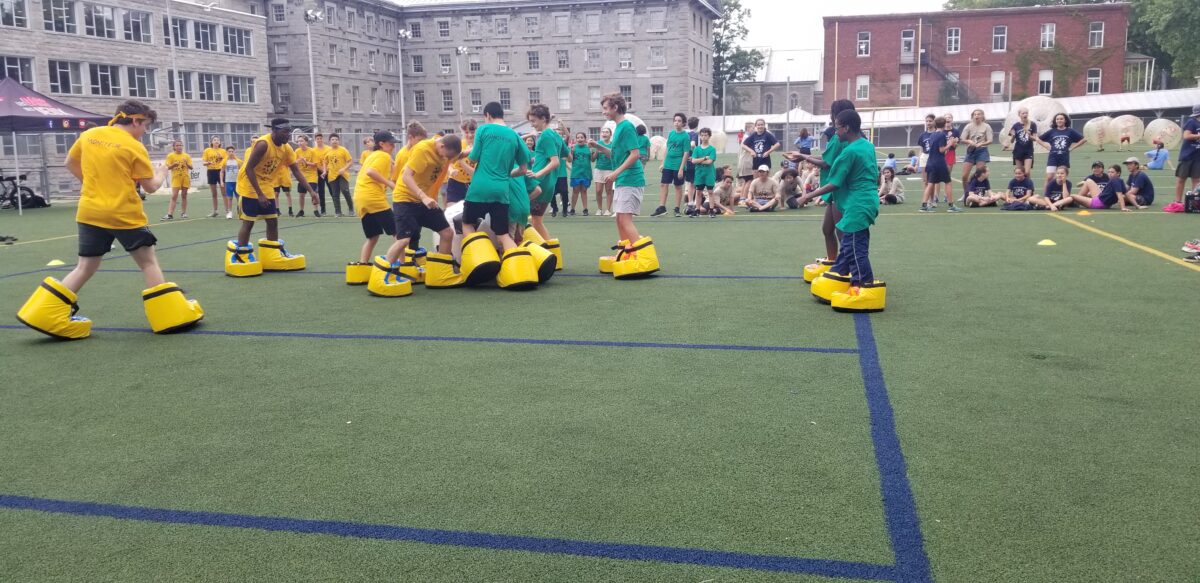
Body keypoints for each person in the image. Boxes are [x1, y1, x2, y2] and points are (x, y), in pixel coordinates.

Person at [16, 99, 202, 339]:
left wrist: (92, 183)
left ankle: (43, 313)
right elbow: (152, 187)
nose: (145, 131)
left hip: (90, 210)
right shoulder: (134, 147)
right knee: (148, 262)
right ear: (135, 120)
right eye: (145, 125)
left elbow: (69, 162)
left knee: (85, 266)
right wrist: (162, 171)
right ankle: (169, 316)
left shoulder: (90, 135)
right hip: (123, 213)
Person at [794, 109, 886, 312]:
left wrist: (807, 196)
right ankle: (840, 270)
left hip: (858, 203)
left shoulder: (850, 152)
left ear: (846, 127)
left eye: (837, 127)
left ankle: (865, 286)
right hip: (867, 199)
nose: (835, 132)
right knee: (851, 242)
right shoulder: (867, 146)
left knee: (855, 247)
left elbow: (834, 183)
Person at [231, 118, 317, 270]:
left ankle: (272, 255)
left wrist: (311, 191)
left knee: (272, 221)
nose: (288, 136)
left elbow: (296, 170)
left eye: (289, 132)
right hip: (248, 185)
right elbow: (248, 169)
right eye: (285, 132)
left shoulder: (286, 148)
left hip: (266, 185)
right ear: (274, 131)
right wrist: (259, 194)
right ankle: (241, 255)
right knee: (249, 222)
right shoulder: (263, 144)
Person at [594, 92, 658, 277]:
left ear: (615, 107)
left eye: (606, 108)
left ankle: (643, 257)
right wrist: (598, 147)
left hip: (631, 179)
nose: (604, 112)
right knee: (619, 218)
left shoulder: (627, 127)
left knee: (625, 219)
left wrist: (615, 173)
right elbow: (616, 154)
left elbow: (635, 154)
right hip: (623, 180)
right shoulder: (618, 128)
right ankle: (627, 253)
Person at [383, 133, 463, 278]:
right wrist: (423, 196)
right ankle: (382, 272)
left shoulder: (446, 152)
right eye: (447, 156)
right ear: (442, 146)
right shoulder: (422, 150)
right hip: (405, 200)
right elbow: (406, 176)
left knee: (447, 233)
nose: (447, 160)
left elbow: (460, 155)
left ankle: (441, 273)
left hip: (423, 202)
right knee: (404, 240)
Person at [800, 100, 857, 271]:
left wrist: (803, 157)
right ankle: (833, 260)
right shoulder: (843, 136)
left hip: (839, 189)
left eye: (833, 113)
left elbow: (826, 163)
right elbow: (828, 159)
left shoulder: (840, 138)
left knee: (841, 230)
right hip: (836, 189)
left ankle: (846, 267)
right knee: (827, 228)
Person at [464, 102, 527, 255]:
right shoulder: (514, 136)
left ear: (488, 115)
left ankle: (481, 257)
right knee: (503, 235)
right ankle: (517, 263)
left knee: (466, 223)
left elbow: (473, 158)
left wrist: (466, 152)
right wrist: (507, 174)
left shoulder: (483, 129)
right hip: (501, 191)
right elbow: (523, 169)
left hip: (479, 188)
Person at [352, 131, 399, 273]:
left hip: (361, 198)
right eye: (390, 143)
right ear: (381, 144)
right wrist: (390, 183)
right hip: (373, 198)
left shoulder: (373, 156)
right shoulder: (384, 156)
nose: (393, 146)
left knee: (373, 236)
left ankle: (363, 264)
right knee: (399, 233)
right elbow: (371, 172)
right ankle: (401, 263)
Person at [526, 104, 564, 241]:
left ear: (543, 119)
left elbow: (555, 162)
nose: (532, 124)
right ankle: (550, 251)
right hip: (549, 183)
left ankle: (548, 250)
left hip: (539, 182)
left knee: (521, 216)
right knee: (537, 220)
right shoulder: (555, 136)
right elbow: (566, 155)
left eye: (533, 121)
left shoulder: (546, 135)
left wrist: (538, 173)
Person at [652, 113, 691, 217]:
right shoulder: (671, 134)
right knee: (663, 184)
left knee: (678, 186)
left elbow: (686, 153)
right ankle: (662, 207)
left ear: (683, 123)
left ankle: (677, 208)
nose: (677, 123)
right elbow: (667, 149)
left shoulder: (686, 136)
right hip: (668, 163)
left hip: (678, 164)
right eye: (675, 121)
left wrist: (681, 169)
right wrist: (663, 163)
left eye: (679, 121)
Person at [921, 117, 963, 213]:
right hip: (939, 162)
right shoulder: (942, 135)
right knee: (947, 182)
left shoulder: (932, 135)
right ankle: (951, 205)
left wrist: (948, 143)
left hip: (930, 162)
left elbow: (936, 148)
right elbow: (941, 150)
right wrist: (951, 143)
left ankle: (924, 205)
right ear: (944, 125)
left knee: (930, 183)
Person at [1034, 113, 1086, 181]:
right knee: (1049, 177)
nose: (1059, 120)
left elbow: (1084, 139)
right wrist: (1046, 146)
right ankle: (1047, 192)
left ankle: (1062, 191)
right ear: (1055, 121)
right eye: (1057, 119)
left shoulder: (1070, 131)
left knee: (1062, 178)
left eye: (1061, 119)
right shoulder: (1052, 131)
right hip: (1053, 157)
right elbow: (1038, 139)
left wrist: (1072, 148)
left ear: (1065, 120)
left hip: (1064, 157)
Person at [1168, 105, 1200, 212]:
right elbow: (1186, 136)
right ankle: (1178, 201)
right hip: (1187, 156)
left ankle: (1195, 201)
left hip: (1197, 156)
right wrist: (1198, 136)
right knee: (1181, 179)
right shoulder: (1191, 121)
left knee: (1196, 180)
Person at [1069, 165, 1142, 211]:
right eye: (1109, 172)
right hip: (1101, 201)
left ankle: (1059, 204)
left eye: (1112, 172)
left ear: (1118, 173)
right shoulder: (1120, 181)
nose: (1109, 174)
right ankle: (1074, 202)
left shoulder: (1114, 181)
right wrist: (1137, 206)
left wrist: (1123, 207)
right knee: (1088, 181)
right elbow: (1127, 194)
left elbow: (1120, 195)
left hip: (1098, 204)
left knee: (1072, 196)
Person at [445, 119, 477, 206]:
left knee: (469, 214)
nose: (469, 135)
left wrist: (461, 160)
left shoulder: (479, 147)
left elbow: (476, 172)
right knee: (452, 211)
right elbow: (448, 162)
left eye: (472, 132)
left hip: (472, 183)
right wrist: (451, 170)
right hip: (455, 182)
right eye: (466, 132)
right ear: (462, 131)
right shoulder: (458, 144)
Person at [959, 108, 993, 186]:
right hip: (970, 151)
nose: (976, 116)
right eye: (975, 114)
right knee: (964, 176)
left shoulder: (987, 126)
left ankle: (977, 192)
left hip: (982, 151)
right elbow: (962, 139)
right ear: (972, 116)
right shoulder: (968, 126)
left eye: (978, 114)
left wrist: (981, 144)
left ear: (982, 116)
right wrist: (969, 141)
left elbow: (990, 140)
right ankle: (966, 193)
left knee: (979, 174)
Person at [690, 128, 719, 216]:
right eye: (702, 135)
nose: (704, 137)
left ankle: (711, 210)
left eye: (706, 135)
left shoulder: (712, 149)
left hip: (709, 174)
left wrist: (698, 161)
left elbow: (710, 162)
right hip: (699, 174)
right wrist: (704, 158)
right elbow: (693, 161)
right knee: (698, 192)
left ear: (709, 136)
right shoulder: (697, 149)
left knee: (710, 192)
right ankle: (697, 210)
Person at [323, 133, 354, 216]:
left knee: (345, 190)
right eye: (332, 139)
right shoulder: (327, 151)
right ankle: (338, 212)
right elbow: (325, 162)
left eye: (336, 139)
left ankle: (351, 209)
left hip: (342, 175)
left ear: (339, 141)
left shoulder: (343, 150)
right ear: (329, 141)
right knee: (335, 194)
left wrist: (344, 169)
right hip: (332, 176)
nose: (334, 141)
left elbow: (350, 161)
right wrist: (324, 171)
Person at [162, 140, 192, 220]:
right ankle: (169, 214)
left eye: (181, 145)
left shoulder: (186, 156)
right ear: (174, 147)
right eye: (177, 145)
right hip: (176, 178)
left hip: (185, 178)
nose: (179, 147)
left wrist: (186, 164)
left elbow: (191, 167)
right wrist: (173, 165)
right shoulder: (170, 156)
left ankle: (184, 213)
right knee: (174, 196)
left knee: (184, 195)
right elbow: (167, 167)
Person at [293, 135, 321, 217]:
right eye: (298, 141)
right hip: (302, 176)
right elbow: (294, 162)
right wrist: (299, 161)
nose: (300, 143)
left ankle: (316, 210)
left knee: (313, 193)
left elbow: (315, 164)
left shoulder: (312, 151)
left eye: (301, 141)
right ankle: (301, 210)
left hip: (311, 176)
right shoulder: (297, 151)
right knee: (301, 194)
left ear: (306, 142)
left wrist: (306, 162)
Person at [590, 126, 615, 216]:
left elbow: (613, 157)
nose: (604, 134)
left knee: (609, 190)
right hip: (599, 169)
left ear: (610, 134)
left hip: (609, 170)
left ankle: (607, 209)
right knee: (598, 190)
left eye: (606, 132)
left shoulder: (613, 144)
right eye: (603, 132)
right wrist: (596, 150)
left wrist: (604, 151)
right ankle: (599, 209)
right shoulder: (598, 144)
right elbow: (592, 159)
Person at [202, 136, 228, 218]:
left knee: (224, 192)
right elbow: (204, 162)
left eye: (218, 140)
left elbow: (227, 161)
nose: (216, 141)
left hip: (221, 171)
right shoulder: (207, 150)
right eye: (214, 140)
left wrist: (222, 158)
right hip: (211, 171)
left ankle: (227, 210)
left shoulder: (223, 151)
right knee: (214, 193)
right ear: (211, 142)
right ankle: (215, 211)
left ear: (220, 142)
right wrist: (208, 163)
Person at [569, 131, 593, 216]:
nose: (580, 139)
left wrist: (592, 151)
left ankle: (585, 209)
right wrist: (571, 152)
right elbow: (570, 160)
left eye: (581, 137)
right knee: (575, 191)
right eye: (578, 138)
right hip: (576, 173)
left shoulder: (588, 148)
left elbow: (593, 159)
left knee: (584, 191)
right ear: (576, 139)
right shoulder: (574, 148)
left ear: (585, 139)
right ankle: (572, 209)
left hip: (586, 173)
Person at [1008, 107, 1037, 175]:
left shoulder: (1032, 124)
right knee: (1019, 172)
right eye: (1023, 113)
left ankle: (1029, 185)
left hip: (1028, 151)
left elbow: (1035, 138)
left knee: (1027, 172)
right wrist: (1013, 136)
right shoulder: (1016, 125)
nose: (1025, 114)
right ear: (1019, 115)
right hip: (1018, 150)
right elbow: (1011, 141)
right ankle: (1020, 185)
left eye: (1026, 113)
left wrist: (1029, 135)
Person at [312, 133, 331, 216]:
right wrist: (322, 171)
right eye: (317, 139)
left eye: (320, 138)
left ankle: (338, 210)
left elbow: (330, 161)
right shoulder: (313, 150)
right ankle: (323, 210)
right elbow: (315, 163)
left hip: (329, 172)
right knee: (321, 191)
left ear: (323, 139)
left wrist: (326, 171)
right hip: (319, 172)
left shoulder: (328, 149)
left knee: (332, 190)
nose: (319, 140)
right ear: (315, 140)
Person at [221, 146, 239, 219]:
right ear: (227, 152)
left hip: (237, 182)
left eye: (232, 151)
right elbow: (221, 171)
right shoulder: (225, 161)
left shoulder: (238, 161)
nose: (231, 153)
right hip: (228, 181)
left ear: (234, 152)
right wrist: (221, 181)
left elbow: (241, 171)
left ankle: (240, 211)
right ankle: (229, 212)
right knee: (229, 198)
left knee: (239, 197)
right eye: (229, 151)